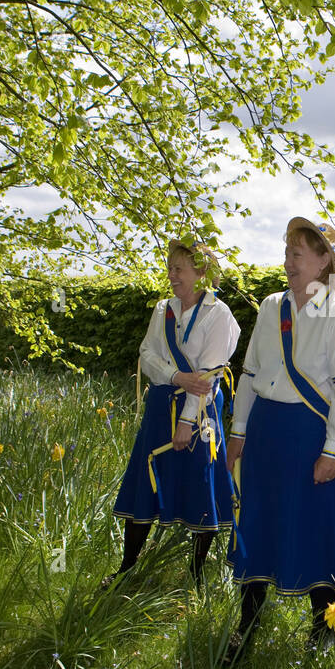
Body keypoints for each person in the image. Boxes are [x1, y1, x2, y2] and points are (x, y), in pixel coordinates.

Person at [221, 218, 335, 663]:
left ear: (325, 261)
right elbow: (248, 373)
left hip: (311, 437)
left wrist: (332, 450)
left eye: (297, 255)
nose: (288, 263)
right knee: (259, 523)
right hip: (266, 432)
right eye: (287, 253)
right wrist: (237, 431)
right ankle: (247, 624)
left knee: (316, 527)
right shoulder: (270, 307)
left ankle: (325, 626)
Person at [108, 240, 239, 588]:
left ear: (202, 273)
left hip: (200, 413)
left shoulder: (219, 314)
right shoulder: (162, 309)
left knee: (201, 481)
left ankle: (196, 575)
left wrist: (185, 421)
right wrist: (175, 376)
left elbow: (209, 376)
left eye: (178, 268)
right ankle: (128, 568)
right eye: (170, 267)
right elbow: (147, 354)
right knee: (145, 479)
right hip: (161, 403)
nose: (171, 275)